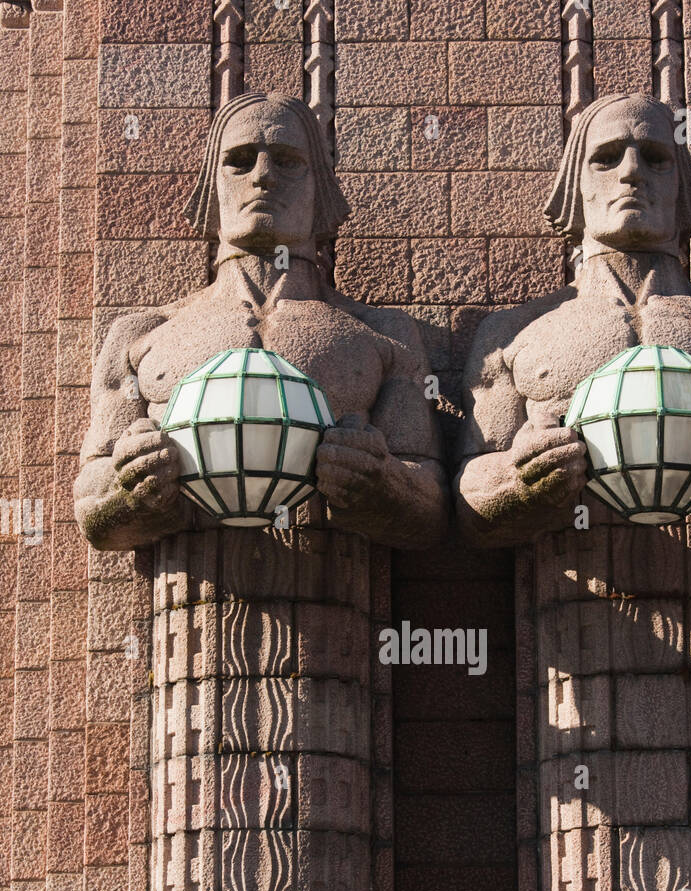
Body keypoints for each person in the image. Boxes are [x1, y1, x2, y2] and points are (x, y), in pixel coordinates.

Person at [75, 92, 449, 552]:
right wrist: (129, 487)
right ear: (211, 186)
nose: (264, 176)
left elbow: (433, 509)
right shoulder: (141, 335)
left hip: (341, 593)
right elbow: (93, 507)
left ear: (321, 188)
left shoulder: (385, 335)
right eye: (240, 161)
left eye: (289, 161)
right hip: (182, 597)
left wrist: (381, 484)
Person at [455, 93, 691, 547]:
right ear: (576, 184)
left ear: (681, 185)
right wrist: (519, 479)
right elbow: (467, 498)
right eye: (606, 159)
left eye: (655, 159)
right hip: (561, 587)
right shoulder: (512, 332)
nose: (631, 173)